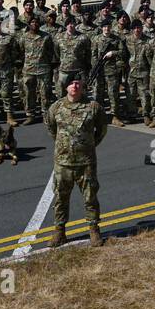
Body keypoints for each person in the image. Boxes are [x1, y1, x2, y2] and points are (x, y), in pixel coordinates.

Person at [44, 78, 108, 248]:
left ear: (82, 86)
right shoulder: (56, 107)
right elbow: (51, 128)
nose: (75, 86)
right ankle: (59, 231)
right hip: (63, 163)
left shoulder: (93, 106)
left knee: (90, 197)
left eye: (78, 83)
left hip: (85, 162)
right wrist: (64, 145)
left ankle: (94, 229)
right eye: (71, 83)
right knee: (60, 198)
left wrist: (88, 145)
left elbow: (102, 129)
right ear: (66, 87)